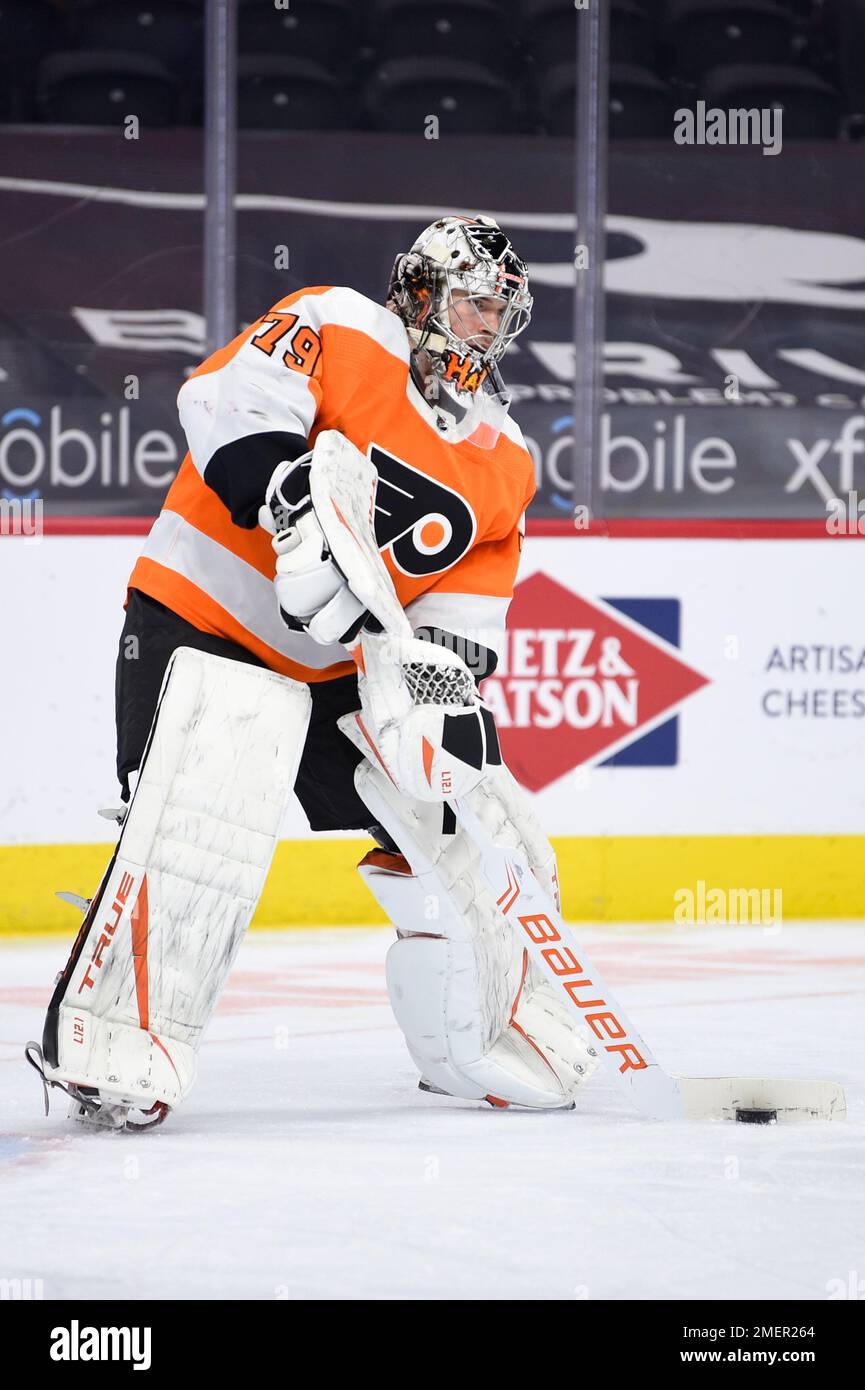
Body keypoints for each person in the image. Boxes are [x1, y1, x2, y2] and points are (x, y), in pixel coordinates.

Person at [33, 215, 598, 1128]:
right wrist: (289, 501)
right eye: (471, 303)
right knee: (197, 814)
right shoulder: (337, 323)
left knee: (466, 821)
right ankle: (117, 1047)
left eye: (501, 313)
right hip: (202, 613)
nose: (486, 329)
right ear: (418, 291)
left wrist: (447, 713)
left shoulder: (507, 456)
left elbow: (458, 616)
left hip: (341, 660)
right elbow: (228, 406)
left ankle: (474, 1040)